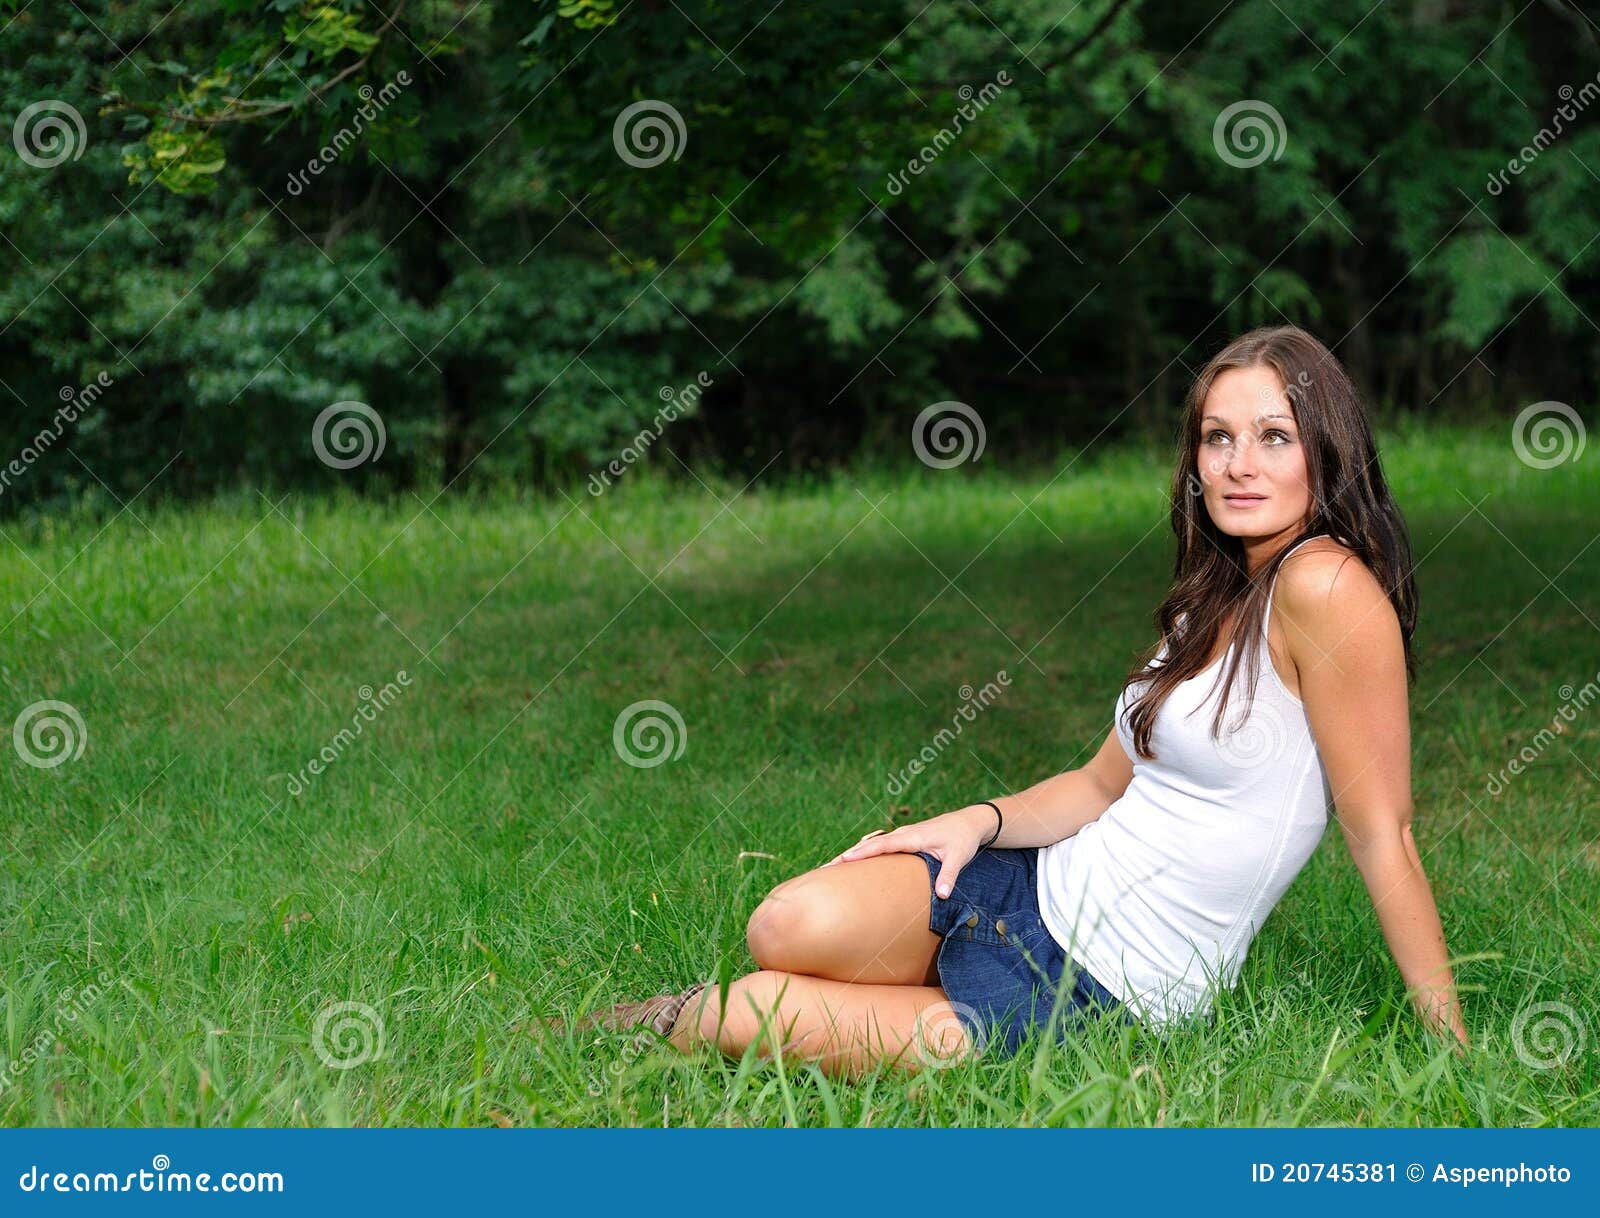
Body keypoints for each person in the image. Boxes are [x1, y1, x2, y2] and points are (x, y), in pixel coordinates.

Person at [561, 324, 1471, 1077]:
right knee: (783, 923)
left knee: (748, 1010)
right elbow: (1098, 787)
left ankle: (667, 1020)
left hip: (1109, 989)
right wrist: (973, 822)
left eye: (1274, 436)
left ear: (1327, 448)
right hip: (1039, 885)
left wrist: (1452, 1054)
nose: (1239, 464)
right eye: (1217, 436)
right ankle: (886, 1000)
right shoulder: (1217, 588)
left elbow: (1381, 831)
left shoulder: (1324, 587)